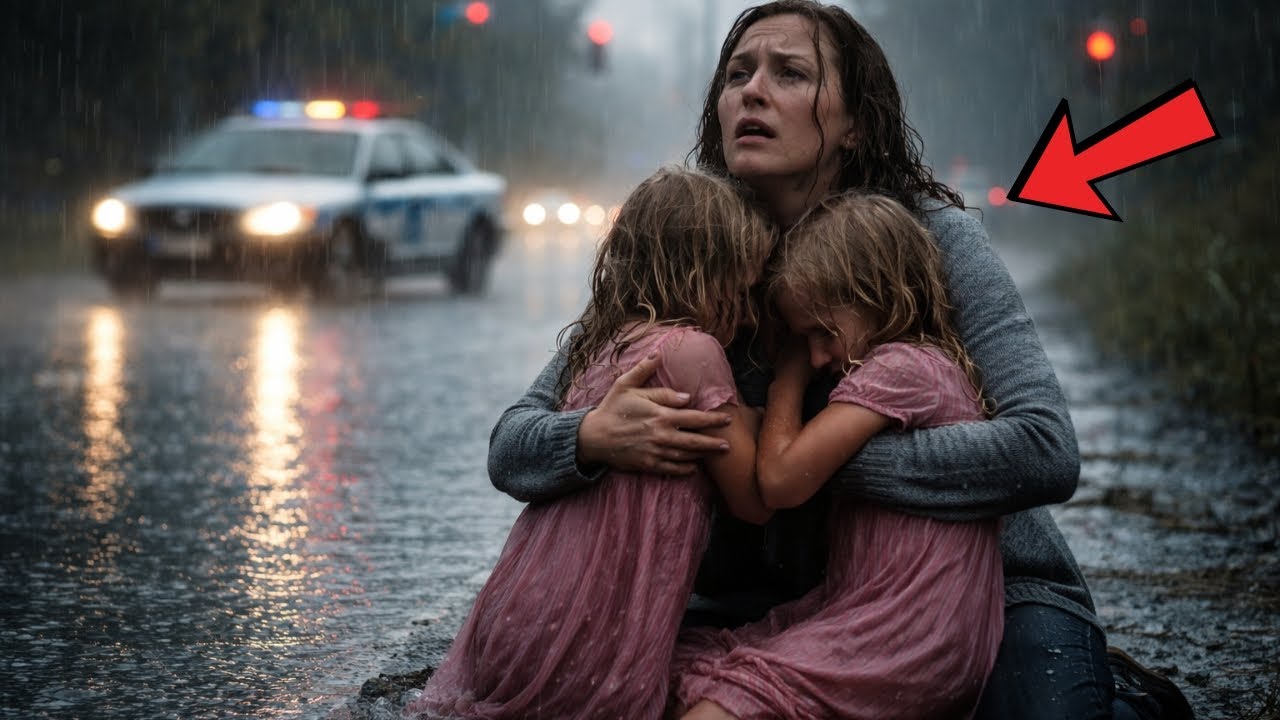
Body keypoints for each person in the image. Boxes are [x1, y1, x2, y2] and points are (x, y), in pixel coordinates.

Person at [486, 1, 1194, 718]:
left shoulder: (929, 239)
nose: (751, 92)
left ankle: (1125, 700)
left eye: (789, 73)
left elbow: (1045, 450)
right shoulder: (692, 248)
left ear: (856, 122)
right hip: (761, 601)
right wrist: (589, 438)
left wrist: (798, 467)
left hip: (984, 590)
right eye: (737, 74)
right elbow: (512, 447)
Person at [405, 166, 776, 720]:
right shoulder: (693, 353)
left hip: (519, 616)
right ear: (703, 274)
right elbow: (752, 499)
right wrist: (785, 395)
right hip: (588, 632)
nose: (748, 313)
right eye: (742, 291)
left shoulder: (605, 343)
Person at [671, 191, 1005, 720]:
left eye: (823, 334)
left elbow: (780, 481)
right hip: (880, 616)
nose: (821, 355)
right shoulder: (921, 364)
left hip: (909, 634)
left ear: (879, 295)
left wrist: (787, 378)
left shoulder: (901, 366)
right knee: (681, 667)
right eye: (806, 341)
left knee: (720, 705)